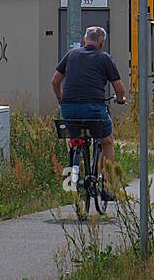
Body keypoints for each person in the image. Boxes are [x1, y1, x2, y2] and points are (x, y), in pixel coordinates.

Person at [52, 27, 127, 195]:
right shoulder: (104, 58)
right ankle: (107, 187)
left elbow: (55, 81)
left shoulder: (71, 55)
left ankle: (69, 179)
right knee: (106, 141)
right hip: (94, 110)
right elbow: (120, 89)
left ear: (84, 40)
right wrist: (120, 99)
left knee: (72, 139)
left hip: (69, 109)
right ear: (101, 43)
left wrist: (61, 99)